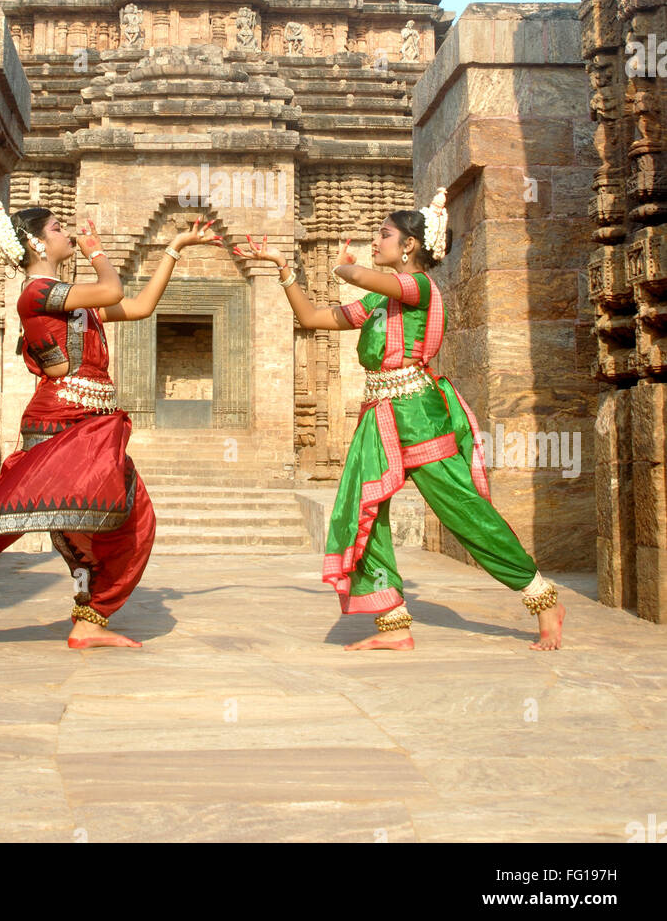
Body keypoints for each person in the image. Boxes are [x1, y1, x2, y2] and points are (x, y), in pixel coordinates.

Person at [0, 192, 224, 653]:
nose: (66, 233)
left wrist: (174, 248)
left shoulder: (72, 300)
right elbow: (113, 290)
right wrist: (98, 252)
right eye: (57, 228)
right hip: (59, 422)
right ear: (36, 243)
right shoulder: (37, 294)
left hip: (93, 423)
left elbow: (137, 306)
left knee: (131, 521)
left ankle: (90, 620)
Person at [234, 189, 565, 653]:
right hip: (379, 416)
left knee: (462, 510)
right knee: (360, 511)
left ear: (409, 245)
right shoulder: (379, 305)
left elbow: (359, 275)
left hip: (419, 414)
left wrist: (343, 266)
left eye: (384, 234)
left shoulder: (420, 288)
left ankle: (541, 597)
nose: (376, 241)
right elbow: (311, 316)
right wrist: (282, 268)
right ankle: (393, 623)